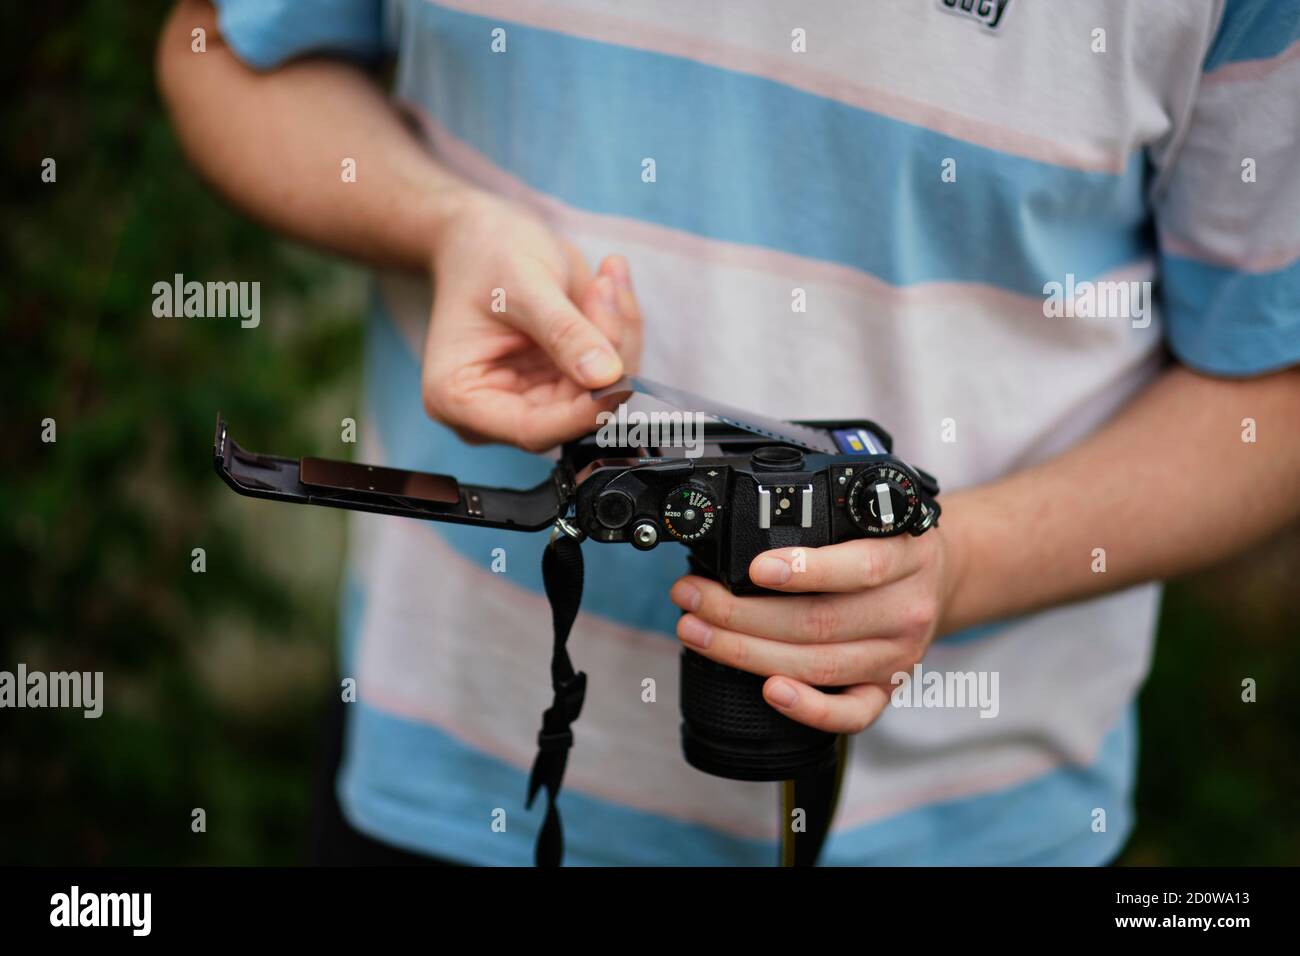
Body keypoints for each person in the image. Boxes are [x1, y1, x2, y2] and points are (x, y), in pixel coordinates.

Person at [158, 0, 1300, 866]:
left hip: (960, 831)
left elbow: (1274, 385)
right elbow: (218, 47)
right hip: (452, 780)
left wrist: (961, 566)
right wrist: (441, 223)